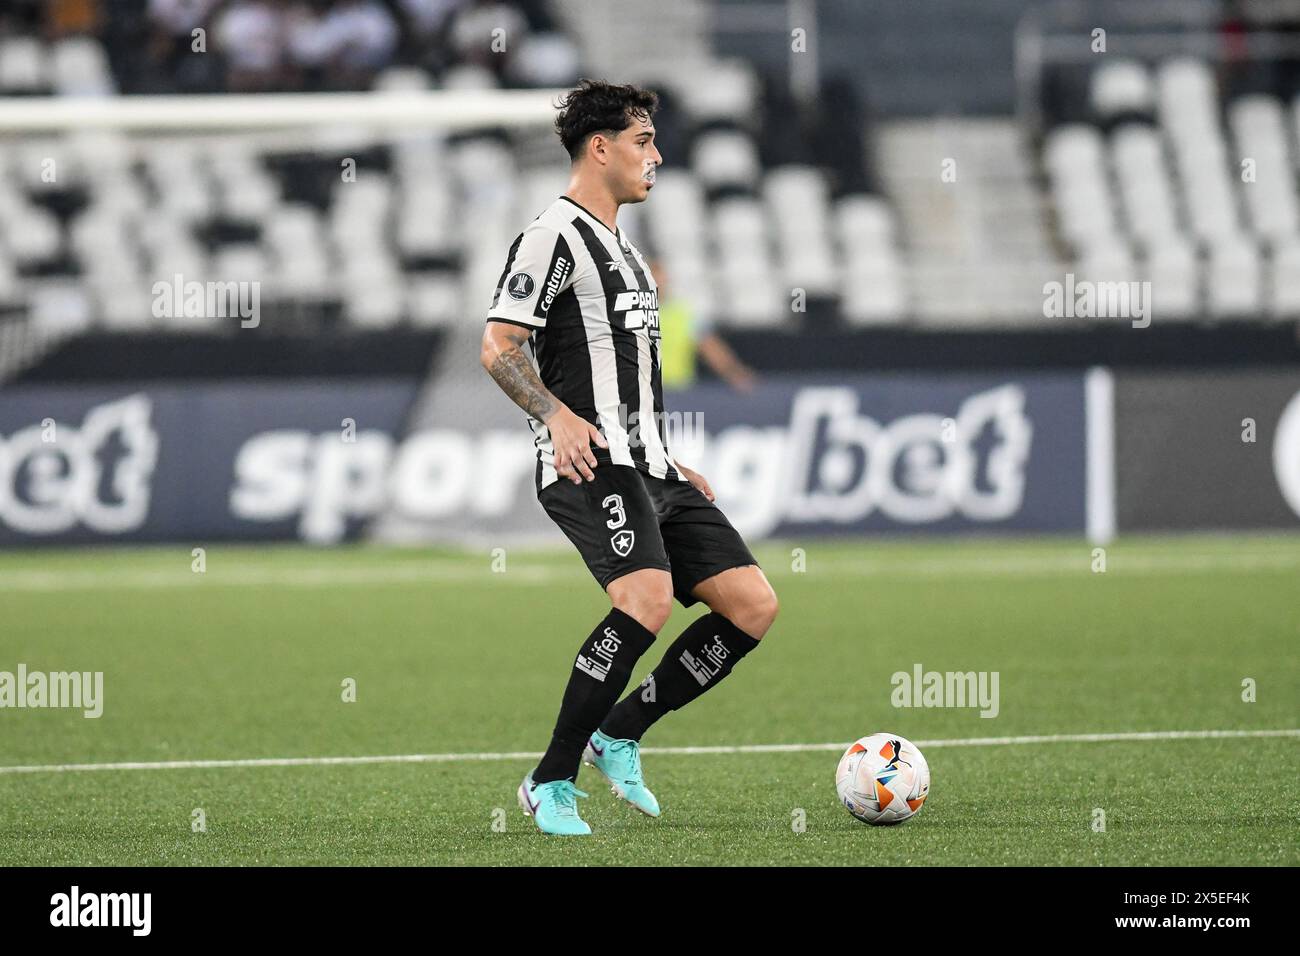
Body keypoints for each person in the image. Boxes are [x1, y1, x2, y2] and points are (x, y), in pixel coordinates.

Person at [479, 79, 779, 835]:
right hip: (589, 463)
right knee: (644, 597)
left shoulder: (628, 253)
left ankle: (620, 732)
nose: (657, 156)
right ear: (601, 147)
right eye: (644, 142)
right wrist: (555, 416)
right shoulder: (554, 236)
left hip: (652, 466)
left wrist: (669, 460)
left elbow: (632, 380)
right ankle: (549, 780)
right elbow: (499, 346)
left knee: (752, 607)